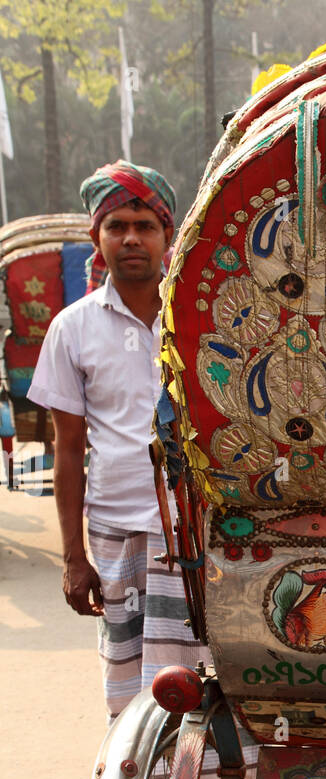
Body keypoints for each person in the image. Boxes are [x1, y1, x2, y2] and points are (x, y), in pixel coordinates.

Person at [27, 160, 208, 722]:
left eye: (144, 225)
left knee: (202, 680)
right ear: (96, 239)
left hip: (196, 529)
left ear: (167, 235)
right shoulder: (72, 327)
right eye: (118, 226)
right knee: (131, 688)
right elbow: (68, 450)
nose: (131, 238)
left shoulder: (204, 317)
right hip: (115, 533)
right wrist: (72, 557)